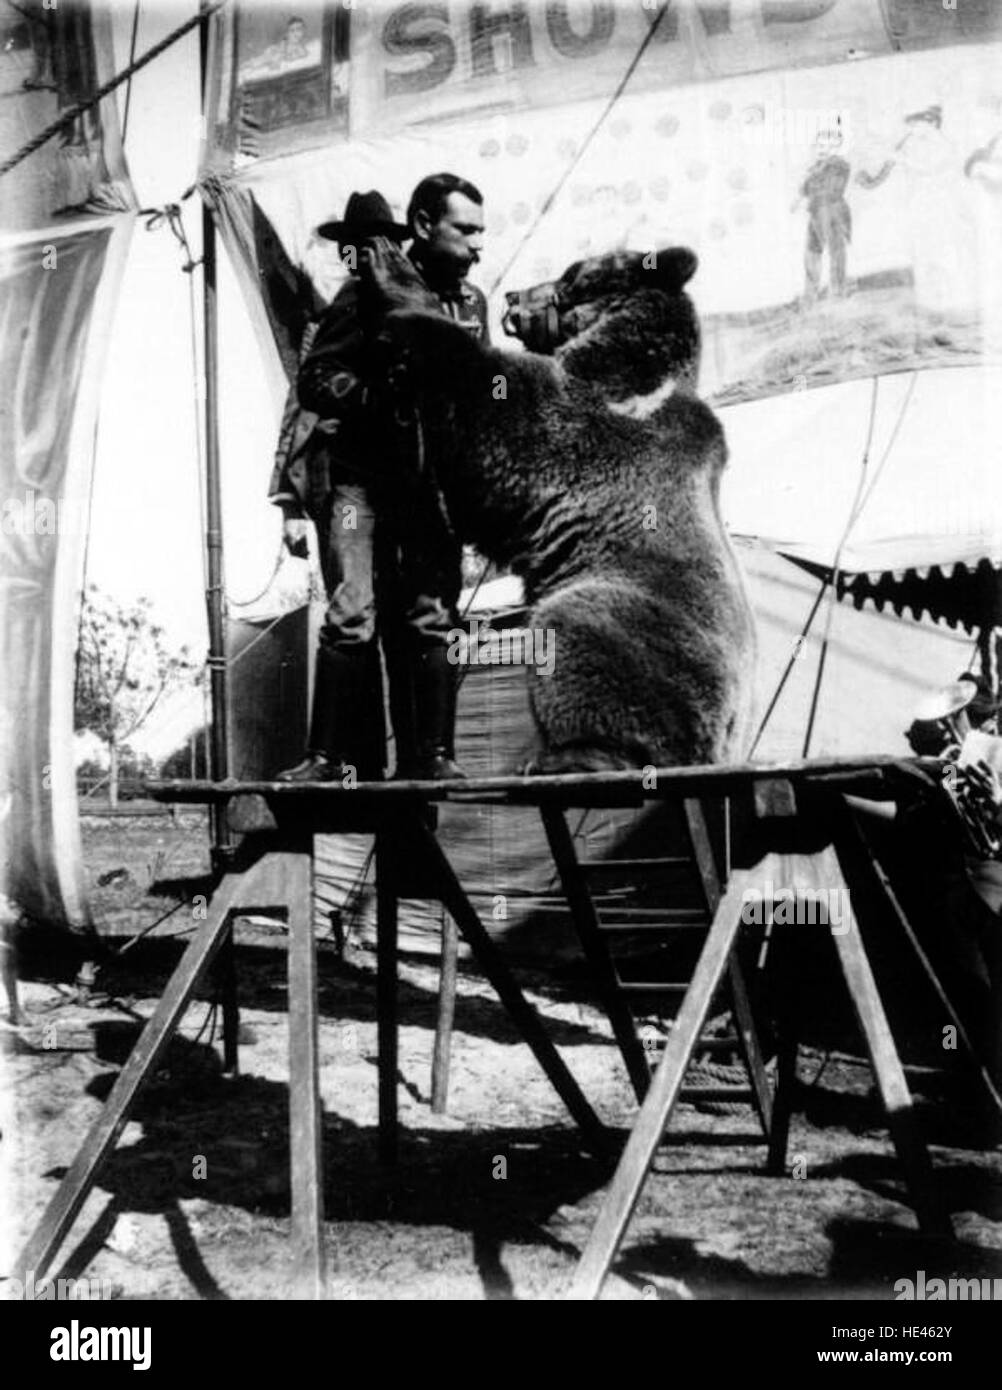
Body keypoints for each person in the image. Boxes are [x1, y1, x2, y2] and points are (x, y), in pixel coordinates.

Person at [273, 175, 487, 782]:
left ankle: (434, 758)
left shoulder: (472, 305)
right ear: (423, 227)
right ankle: (326, 759)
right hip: (359, 483)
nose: (478, 244)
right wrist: (374, 397)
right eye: (465, 229)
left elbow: (481, 386)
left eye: (480, 231)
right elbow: (315, 380)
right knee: (351, 615)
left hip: (430, 487)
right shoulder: (364, 294)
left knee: (429, 616)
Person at [791, 127, 852, 304]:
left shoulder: (839, 165)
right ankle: (810, 295)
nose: (822, 148)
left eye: (828, 145)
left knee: (836, 252)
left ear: (837, 148)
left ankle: (838, 293)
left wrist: (810, 177)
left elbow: (828, 187)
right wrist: (797, 202)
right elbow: (804, 190)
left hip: (832, 211)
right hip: (815, 212)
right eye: (818, 145)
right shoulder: (815, 168)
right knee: (812, 252)